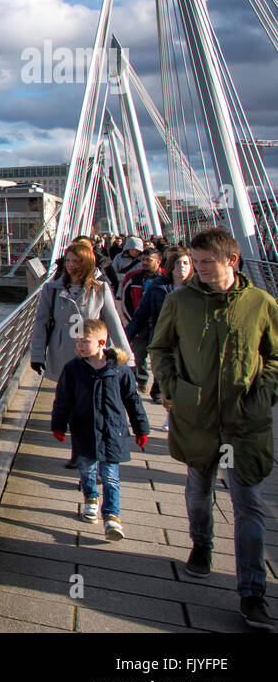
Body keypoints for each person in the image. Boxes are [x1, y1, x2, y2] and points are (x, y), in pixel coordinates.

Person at [149, 227, 278, 631]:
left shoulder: (261, 304)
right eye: (195, 262)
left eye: (206, 263)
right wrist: (172, 390)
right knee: (198, 491)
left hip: (243, 422)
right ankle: (201, 546)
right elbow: (160, 348)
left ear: (231, 262)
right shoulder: (180, 301)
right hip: (197, 418)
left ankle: (252, 592)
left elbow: (275, 358)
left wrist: (260, 397)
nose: (198, 270)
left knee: (249, 505)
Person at [31, 240, 133, 468]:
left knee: (90, 405)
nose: (71, 266)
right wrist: (37, 354)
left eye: (77, 261)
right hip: (63, 351)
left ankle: (87, 453)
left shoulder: (100, 290)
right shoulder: (52, 289)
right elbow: (40, 323)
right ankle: (79, 449)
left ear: (86, 263)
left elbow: (113, 322)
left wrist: (126, 356)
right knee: (70, 404)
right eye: (68, 261)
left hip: (93, 356)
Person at [52, 319, 150, 540]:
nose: (79, 346)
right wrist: (58, 424)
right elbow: (62, 400)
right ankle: (91, 498)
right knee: (87, 470)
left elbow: (132, 400)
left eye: (85, 342)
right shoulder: (73, 369)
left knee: (110, 476)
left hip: (112, 432)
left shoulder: (120, 371)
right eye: (77, 341)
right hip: (84, 431)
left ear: (102, 343)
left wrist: (140, 427)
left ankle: (112, 517)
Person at [126, 249, 192, 413]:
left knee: (182, 379)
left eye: (186, 263)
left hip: (188, 343)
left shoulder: (197, 289)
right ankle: (170, 409)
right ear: (170, 266)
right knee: (164, 373)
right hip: (161, 339)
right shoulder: (158, 288)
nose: (182, 267)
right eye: (178, 263)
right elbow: (141, 314)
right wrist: (124, 339)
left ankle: (174, 413)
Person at [120, 249, 164, 390]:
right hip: (140, 321)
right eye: (143, 260)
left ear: (158, 262)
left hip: (159, 323)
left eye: (148, 260)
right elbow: (125, 300)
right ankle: (142, 379)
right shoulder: (134, 278)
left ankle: (157, 390)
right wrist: (131, 319)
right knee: (139, 354)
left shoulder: (166, 278)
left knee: (158, 357)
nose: (144, 263)